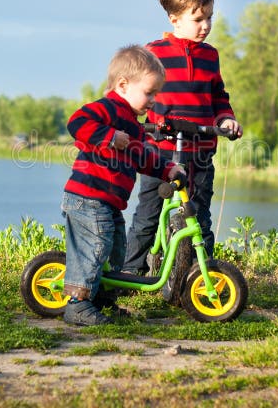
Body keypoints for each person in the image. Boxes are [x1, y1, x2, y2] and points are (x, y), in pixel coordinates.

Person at [124, 0, 242, 275]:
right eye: (198, 18)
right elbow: (140, 93)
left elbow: (218, 96)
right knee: (148, 215)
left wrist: (226, 119)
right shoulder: (154, 52)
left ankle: (200, 275)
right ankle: (130, 271)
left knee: (199, 217)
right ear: (175, 19)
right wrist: (137, 118)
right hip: (160, 153)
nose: (206, 25)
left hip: (200, 152)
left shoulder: (210, 56)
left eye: (209, 18)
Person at [61, 44, 185, 326]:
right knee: (97, 245)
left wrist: (168, 169)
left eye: (156, 93)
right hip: (87, 196)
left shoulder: (133, 124)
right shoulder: (107, 109)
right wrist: (108, 135)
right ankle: (78, 304)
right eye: (149, 92)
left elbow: (143, 157)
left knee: (115, 250)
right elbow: (76, 122)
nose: (153, 100)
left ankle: (101, 300)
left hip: (107, 202)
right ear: (123, 85)